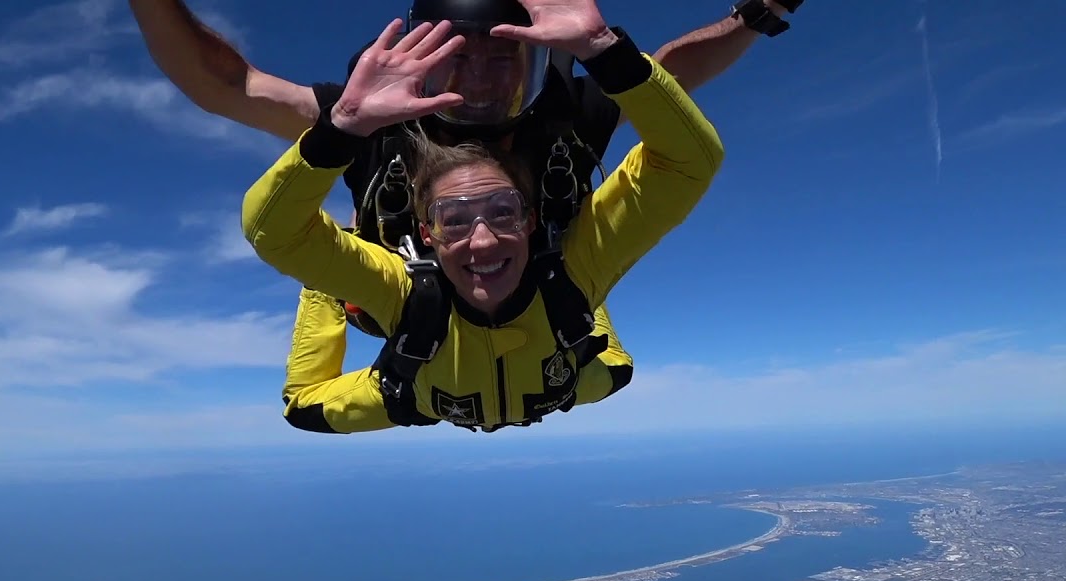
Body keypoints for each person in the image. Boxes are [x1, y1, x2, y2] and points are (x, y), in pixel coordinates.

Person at [240, 6, 724, 434]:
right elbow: (273, 232)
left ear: (531, 219)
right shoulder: (398, 289)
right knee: (607, 363)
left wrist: (603, 48)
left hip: (459, 384)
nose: (483, 240)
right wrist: (341, 121)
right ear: (425, 233)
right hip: (543, 379)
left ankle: (331, 267)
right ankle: (327, 278)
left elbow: (691, 163)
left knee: (594, 335)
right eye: (453, 219)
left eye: (502, 212)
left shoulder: (570, 266)